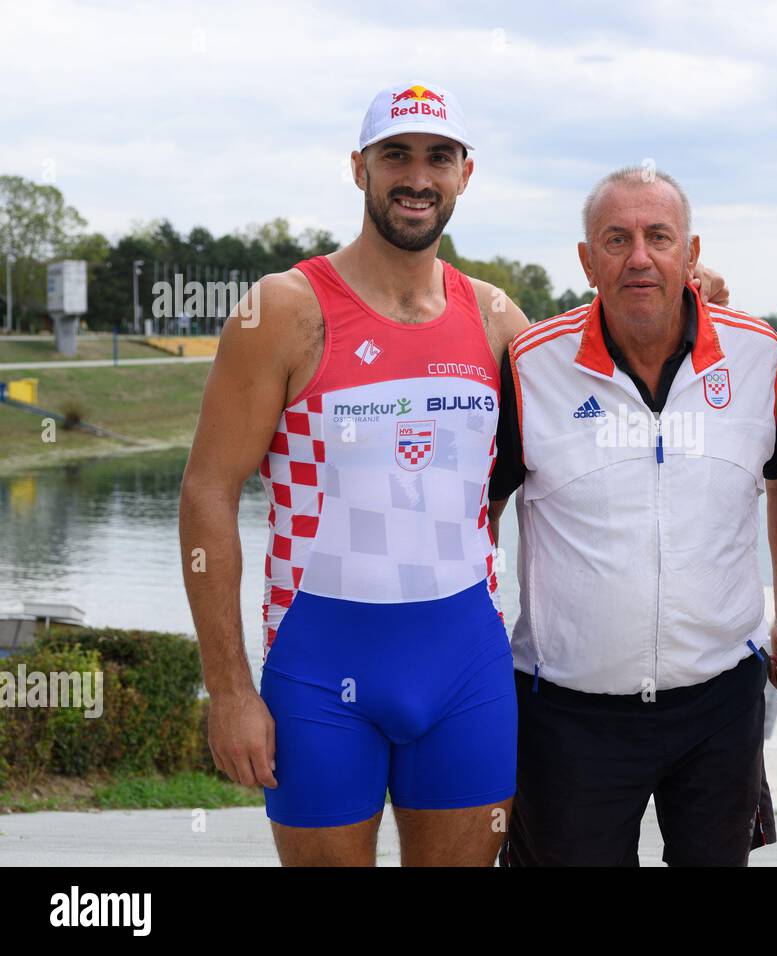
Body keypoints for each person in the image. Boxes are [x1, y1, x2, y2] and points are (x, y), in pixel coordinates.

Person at [179, 82, 535, 865]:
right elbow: (207, 490)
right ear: (359, 168)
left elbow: (563, 446)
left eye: (438, 157)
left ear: (465, 174)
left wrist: (695, 305)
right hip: (319, 673)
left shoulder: (497, 319)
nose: (417, 176)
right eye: (395, 156)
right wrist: (231, 691)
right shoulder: (282, 309)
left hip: (467, 671)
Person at [486, 167, 777, 866]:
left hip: (719, 703)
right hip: (569, 708)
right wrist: (475, 643)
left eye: (659, 236)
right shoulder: (530, 366)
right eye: (617, 239)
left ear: (690, 253)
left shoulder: (758, 356)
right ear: (587, 260)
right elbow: (477, 513)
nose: (640, 256)